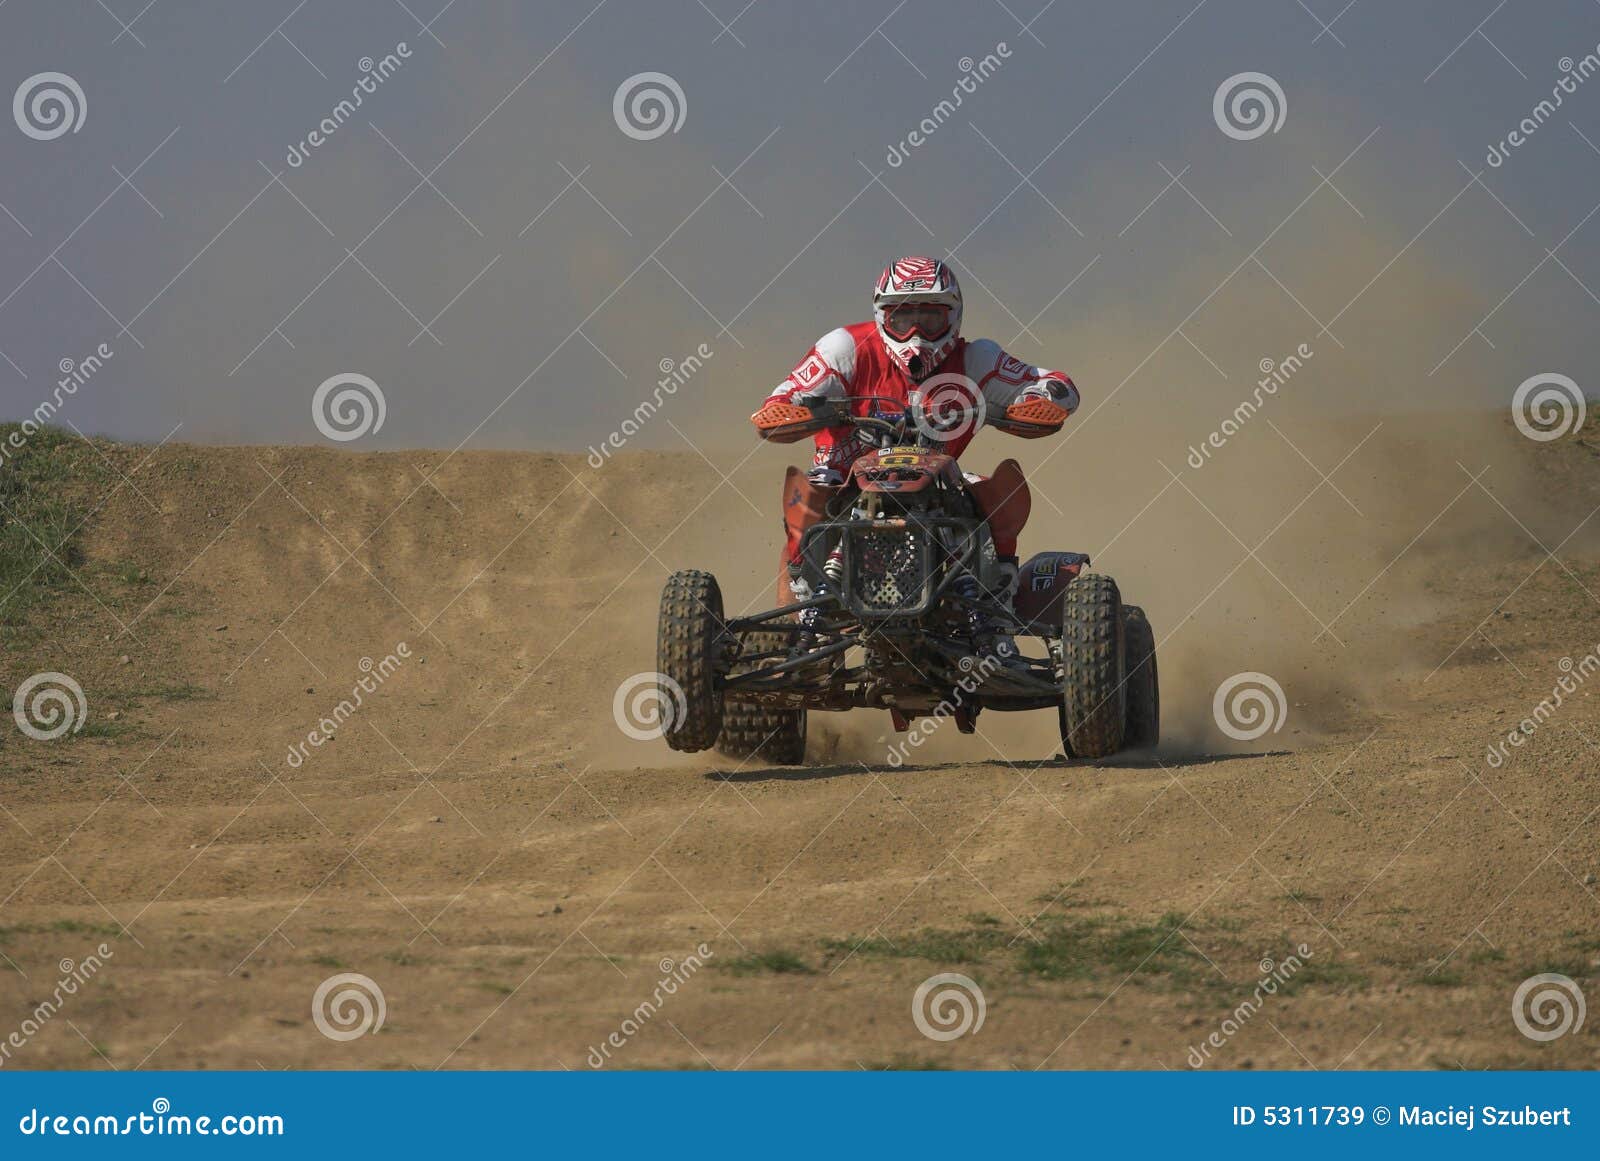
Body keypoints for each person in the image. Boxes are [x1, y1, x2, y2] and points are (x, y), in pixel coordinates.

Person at [751, 255, 1079, 662]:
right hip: (845, 480)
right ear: (881, 316)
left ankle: (995, 605)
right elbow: (782, 398)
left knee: (995, 488)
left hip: (936, 480)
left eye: (931, 316)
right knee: (809, 495)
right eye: (903, 318)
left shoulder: (975, 358)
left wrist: (1036, 400)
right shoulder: (846, 348)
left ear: (954, 316)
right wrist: (793, 408)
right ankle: (807, 613)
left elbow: (1057, 386)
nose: (917, 332)